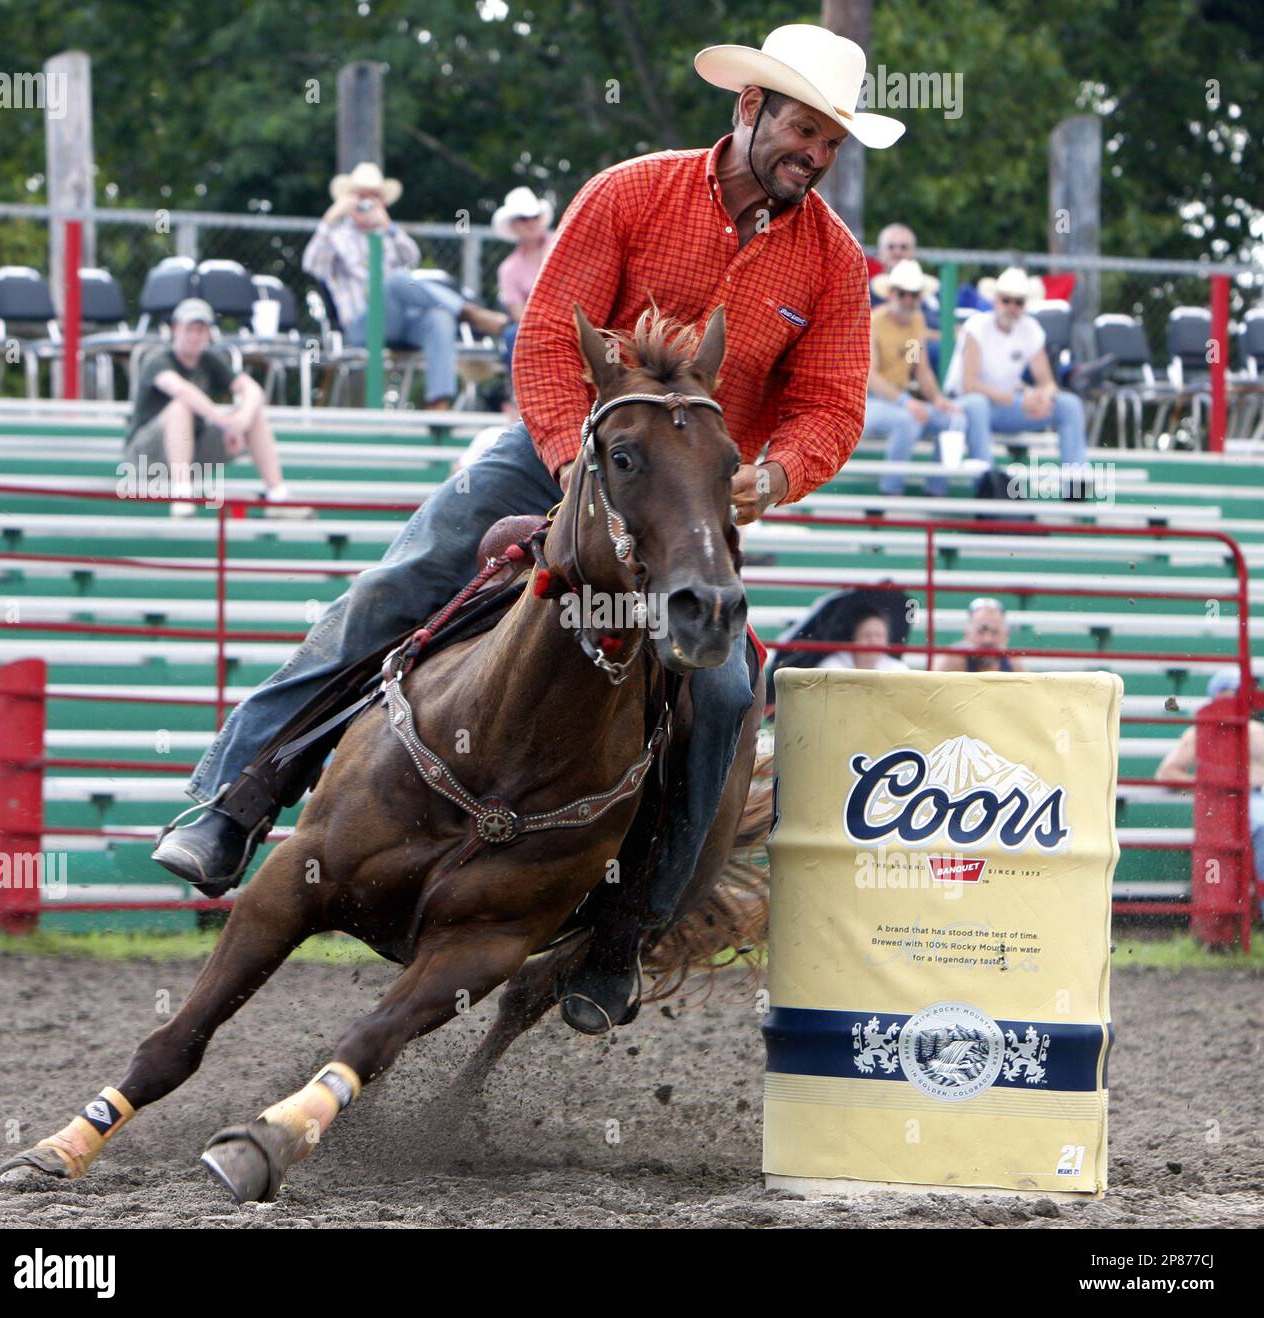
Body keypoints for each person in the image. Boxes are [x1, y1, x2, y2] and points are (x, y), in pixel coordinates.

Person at [152, 22, 903, 1034]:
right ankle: (234, 799)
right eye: (802, 130)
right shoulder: (631, 193)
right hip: (565, 446)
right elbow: (550, 336)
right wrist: (569, 468)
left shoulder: (832, 262)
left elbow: (831, 407)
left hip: (688, 500)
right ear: (748, 109)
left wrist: (774, 472)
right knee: (403, 578)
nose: (812, 156)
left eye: (830, 144)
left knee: (724, 695)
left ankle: (620, 934)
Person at [302, 161, 508, 409]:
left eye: (373, 197)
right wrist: (331, 217)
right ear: (347, 199)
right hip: (360, 325)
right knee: (396, 280)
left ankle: (439, 403)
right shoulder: (335, 237)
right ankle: (468, 312)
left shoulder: (387, 234)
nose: (366, 202)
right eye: (360, 196)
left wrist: (387, 225)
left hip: (399, 320)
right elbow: (311, 264)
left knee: (438, 317)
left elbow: (412, 257)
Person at [123, 298, 308, 519]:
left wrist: (242, 420)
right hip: (146, 458)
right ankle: (182, 494)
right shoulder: (158, 360)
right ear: (176, 330)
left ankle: (277, 496)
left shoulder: (209, 360)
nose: (195, 336)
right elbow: (181, 389)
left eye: (201, 330)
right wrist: (225, 423)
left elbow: (252, 390)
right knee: (181, 406)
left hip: (190, 452)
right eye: (189, 329)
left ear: (208, 334)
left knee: (254, 412)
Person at [945, 267, 1089, 481]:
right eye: (1006, 300)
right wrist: (1019, 401)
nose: (1012, 307)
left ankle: (1076, 483)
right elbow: (969, 386)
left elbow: (1047, 381)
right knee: (977, 404)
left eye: (1018, 302)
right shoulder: (976, 327)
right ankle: (987, 484)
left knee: (1069, 405)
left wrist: (1043, 398)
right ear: (995, 300)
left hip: (1006, 406)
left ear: (1025, 305)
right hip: (964, 408)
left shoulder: (1031, 328)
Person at [863, 259, 992, 496]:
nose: (910, 300)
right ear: (891, 294)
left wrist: (938, 399)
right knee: (908, 420)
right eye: (904, 294)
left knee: (955, 419)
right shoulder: (873, 322)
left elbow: (920, 369)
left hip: (897, 402)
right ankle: (890, 492)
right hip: (868, 404)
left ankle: (935, 492)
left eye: (915, 295)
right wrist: (907, 402)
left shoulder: (916, 320)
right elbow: (871, 378)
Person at [1156, 668, 1264, 906]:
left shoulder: (1255, 731)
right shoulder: (1201, 731)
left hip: (1252, 798)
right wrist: (1211, 788)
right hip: (1225, 802)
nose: (1246, 695)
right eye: (1237, 690)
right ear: (1219, 694)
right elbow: (1167, 772)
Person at [492, 186, 556, 377]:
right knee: (515, 335)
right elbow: (519, 315)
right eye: (523, 218)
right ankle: (524, 394)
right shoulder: (508, 269)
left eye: (534, 216)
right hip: (536, 326)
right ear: (513, 225)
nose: (530, 222)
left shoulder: (561, 244)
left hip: (573, 316)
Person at [932, 597, 1025, 672]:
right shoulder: (952, 662)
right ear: (967, 634)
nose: (988, 639)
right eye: (980, 631)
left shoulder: (1014, 666)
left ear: (1006, 635)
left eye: (995, 632)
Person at [817, 609, 909, 671]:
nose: (873, 642)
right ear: (854, 637)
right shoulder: (831, 668)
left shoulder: (898, 669)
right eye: (866, 635)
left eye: (879, 636)